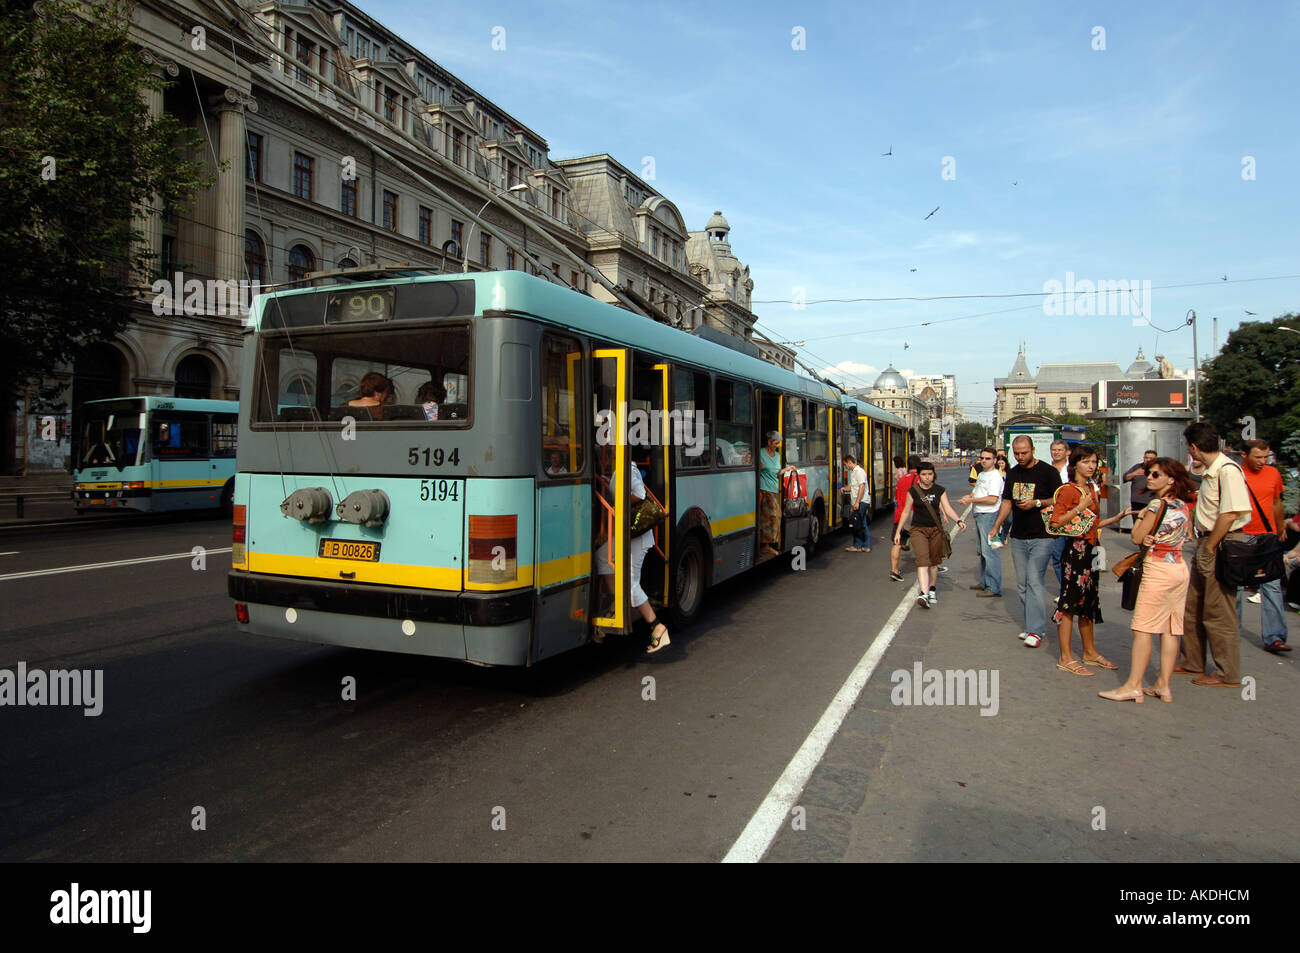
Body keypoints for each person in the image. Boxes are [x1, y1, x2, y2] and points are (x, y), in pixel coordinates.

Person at [1099, 458, 1197, 703]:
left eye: (1155, 474)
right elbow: (1187, 534)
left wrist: (1142, 517)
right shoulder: (1183, 505)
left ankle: (1133, 685)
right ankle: (1163, 685)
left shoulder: (1156, 505)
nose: (1149, 478)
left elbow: (1136, 537)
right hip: (1179, 568)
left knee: (1142, 627)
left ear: (1170, 479)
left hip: (1158, 569)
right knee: (1171, 629)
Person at [1176, 421, 1250, 687]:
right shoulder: (1212, 471)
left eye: (1189, 446)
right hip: (1208, 542)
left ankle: (1226, 672)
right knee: (1194, 606)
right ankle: (1192, 660)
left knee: (1219, 611)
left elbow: (1230, 513)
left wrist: (1210, 547)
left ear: (1194, 447)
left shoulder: (1227, 471)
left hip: (1221, 543)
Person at [1049, 445, 1127, 676]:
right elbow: (1056, 523)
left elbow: (1092, 523)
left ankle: (1090, 652)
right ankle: (1065, 657)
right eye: (1086, 462)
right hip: (1075, 551)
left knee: (1089, 602)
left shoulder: (1092, 488)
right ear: (1075, 465)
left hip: (1092, 548)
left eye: (1094, 462)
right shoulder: (1068, 491)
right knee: (1069, 603)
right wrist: (1079, 508)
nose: (1091, 466)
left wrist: (1116, 518)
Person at [988, 436, 1062, 648]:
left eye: (1024, 453)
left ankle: (1036, 630)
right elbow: (1007, 502)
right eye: (1017, 453)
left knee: (1034, 580)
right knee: (1022, 585)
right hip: (1018, 536)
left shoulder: (1048, 472)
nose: (1020, 457)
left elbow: (1059, 499)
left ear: (1033, 450)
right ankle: (1032, 625)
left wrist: (1037, 502)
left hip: (1043, 535)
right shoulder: (1013, 473)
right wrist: (996, 528)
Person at [595, 453, 671, 653]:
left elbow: (639, 493)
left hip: (637, 538)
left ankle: (657, 628)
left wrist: (618, 499)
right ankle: (615, 604)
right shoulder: (618, 469)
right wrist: (607, 484)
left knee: (630, 584)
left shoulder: (626, 467)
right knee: (603, 556)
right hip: (628, 536)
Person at [1235, 438, 1291, 652]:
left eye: (1265, 457)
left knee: (1272, 586)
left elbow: (1276, 501)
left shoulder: (1273, 473)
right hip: (1240, 535)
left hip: (1267, 536)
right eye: (1257, 457)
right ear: (1244, 455)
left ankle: (1275, 637)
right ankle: (1233, 633)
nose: (1262, 461)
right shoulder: (1235, 474)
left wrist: (1279, 528)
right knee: (1236, 586)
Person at [894, 461, 965, 607]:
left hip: (935, 530)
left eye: (930, 474)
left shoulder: (940, 490)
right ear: (919, 476)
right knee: (922, 561)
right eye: (924, 474)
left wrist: (958, 520)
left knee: (934, 563)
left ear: (934, 475)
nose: (927, 477)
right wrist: (898, 531)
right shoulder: (913, 491)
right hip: (918, 529)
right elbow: (906, 511)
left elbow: (948, 507)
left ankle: (932, 589)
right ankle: (924, 594)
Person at [959, 447, 1005, 597]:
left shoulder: (995, 476)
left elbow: (992, 499)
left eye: (988, 458)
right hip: (980, 514)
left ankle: (993, 587)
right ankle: (985, 582)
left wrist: (971, 499)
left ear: (995, 460)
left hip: (989, 515)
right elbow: (977, 491)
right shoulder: (983, 474)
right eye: (982, 458)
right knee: (984, 552)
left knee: (990, 552)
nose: (984, 461)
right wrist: (969, 497)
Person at [759, 431, 796, 557]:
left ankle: (766, 544)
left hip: (774, 489)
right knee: (772, 516)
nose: (777, 445)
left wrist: (788, 469)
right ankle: (765, 545)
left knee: (775, 516)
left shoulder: (778, 456)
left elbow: (777, 473)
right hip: (764, 490)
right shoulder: (760, 453)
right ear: (769, 442)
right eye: (775, 443)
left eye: (778, 443)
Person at [889, 454, 921, 581]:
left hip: (901, 514)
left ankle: (894, 570)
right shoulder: (921, 478)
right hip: (917, 514)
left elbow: (897, 498)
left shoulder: (901, 480)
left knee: (897, 543)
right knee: (925, 541)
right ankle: (932, 565)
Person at [1047, 439, 1070, 586]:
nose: (1056, 452)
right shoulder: (1047, 470)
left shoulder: (1073, 469)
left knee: (1073, 556)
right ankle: (1064, 589)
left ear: (1067, 452)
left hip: (1073, 517)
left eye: (1059, 450)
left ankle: (1073, 590)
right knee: (1057, 556)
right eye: (1054, 450)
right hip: (1054, 518)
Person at [843, 453, 871, 552]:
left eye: (845, 464)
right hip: (859, 501)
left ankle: (862, 545)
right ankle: (859, 545)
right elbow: (854, 486)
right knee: (859, 523)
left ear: (850, 462)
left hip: (862, 501)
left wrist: (857, 502)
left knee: (859, 523)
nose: (845, 467)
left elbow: (861, 486)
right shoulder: (854, 472)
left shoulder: (859, 471)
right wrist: (845, 489)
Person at [1124, 449, 1159, 515]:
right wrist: (1134, 473)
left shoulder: (1159, 469)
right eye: (1146, 458)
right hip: (1137, 501)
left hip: (1152, 501)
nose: (1148, 460)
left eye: (1151, 458)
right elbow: (1125, 478)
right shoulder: (1137, 467)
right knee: (1137, 521)